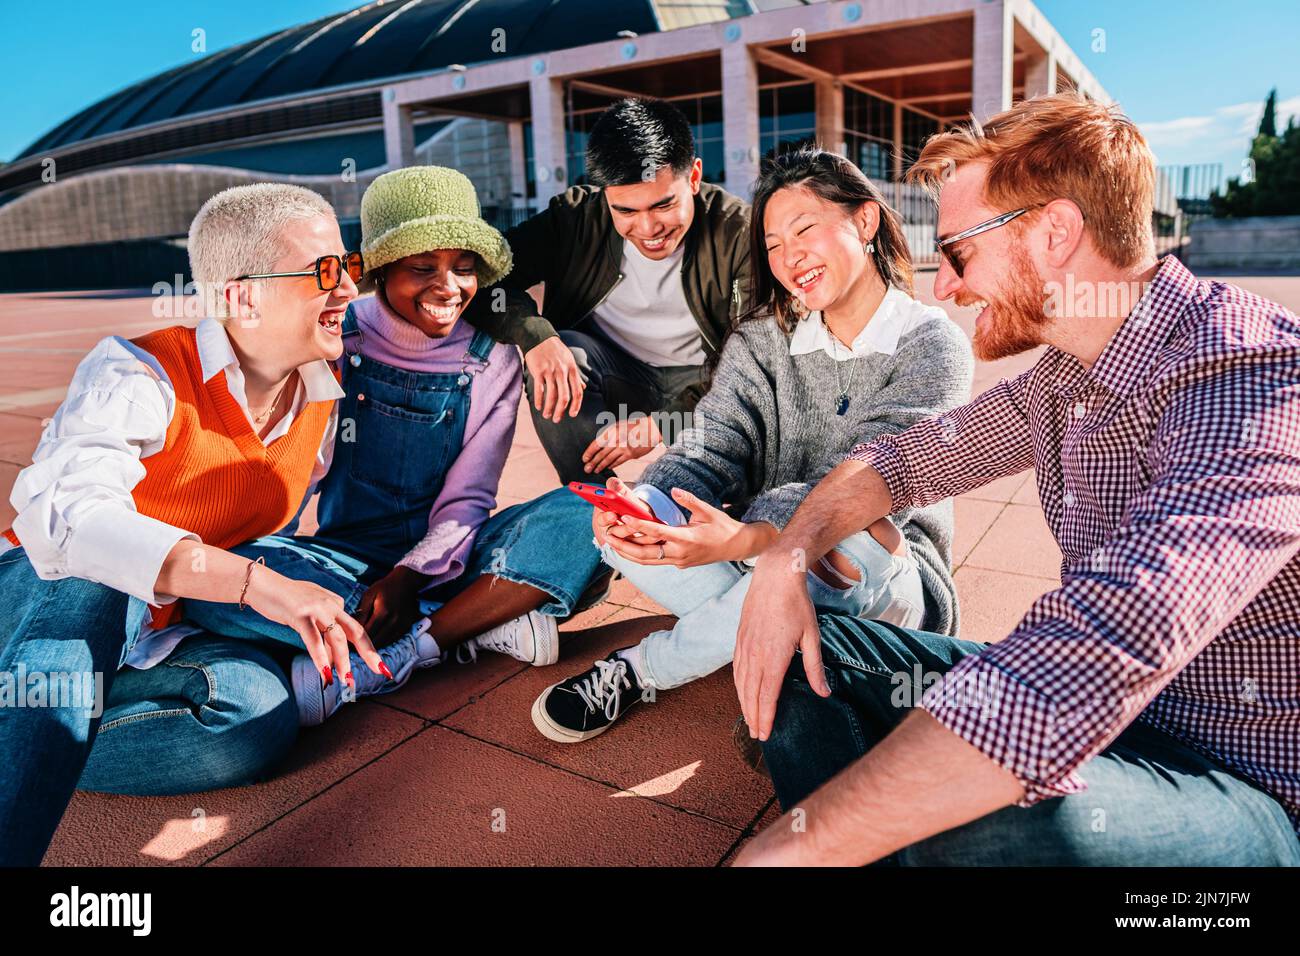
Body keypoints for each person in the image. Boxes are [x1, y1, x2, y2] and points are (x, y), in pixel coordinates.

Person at [732, 93, 1300, 866]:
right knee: (810, 652)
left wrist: (779, 855)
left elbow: (1114, 636)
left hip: (1248, 784)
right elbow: (902, 461)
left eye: (958, 253)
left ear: (1055, 232)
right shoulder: (1064, 375)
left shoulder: (1249, 378)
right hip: (1119, 727)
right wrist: (787, 555)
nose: (944, 287)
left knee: (968, 821)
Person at [531, 145, 973, 743]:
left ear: (865, 220)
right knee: (626, 528)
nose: (790, 258)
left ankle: (643, 668)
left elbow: (870, 482)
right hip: (749, 550)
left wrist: (752, 538)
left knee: (844, 543)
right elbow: (713, 441)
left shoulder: (932, 346)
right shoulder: (762, 339)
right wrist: (648, 503)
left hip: (880, 580)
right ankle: (774, 650)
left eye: (805, 230)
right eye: (773, 245)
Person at [0, 183, 386, 866]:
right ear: (242, 297)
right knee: (94, 580)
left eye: (349, 265)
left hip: (156, 631)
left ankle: (30, 740)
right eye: (325, 271)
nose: (349, 289)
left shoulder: (321, 400)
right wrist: (257, 586)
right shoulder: (140, 371)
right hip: (41, 609)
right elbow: (66, 521)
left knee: (255, 714)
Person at [183, 166, 607, 727]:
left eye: (464, 267)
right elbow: (295, 473)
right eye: (422, 268)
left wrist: (409, 576)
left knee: (589, 512)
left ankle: (409, 645)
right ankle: (469, 628)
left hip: (454, 562)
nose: (449, 288)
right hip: (340, 561)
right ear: (381, 269)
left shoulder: (493, 360)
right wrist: (271, 573)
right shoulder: (335, 336)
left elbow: (469, 498)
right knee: (209, 574)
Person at [465, 96, 751, 484]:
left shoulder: (740, 233)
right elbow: (483, 278)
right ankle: (594, 496)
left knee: (737, 476)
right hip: (619, 375)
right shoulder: (574, 220)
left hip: (706, 384)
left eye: (663, 205)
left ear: (694, 177)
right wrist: (534, 336)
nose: (648, 229)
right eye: (626, 211)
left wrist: (665, 423)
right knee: (561, 355)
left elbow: (754, 361)